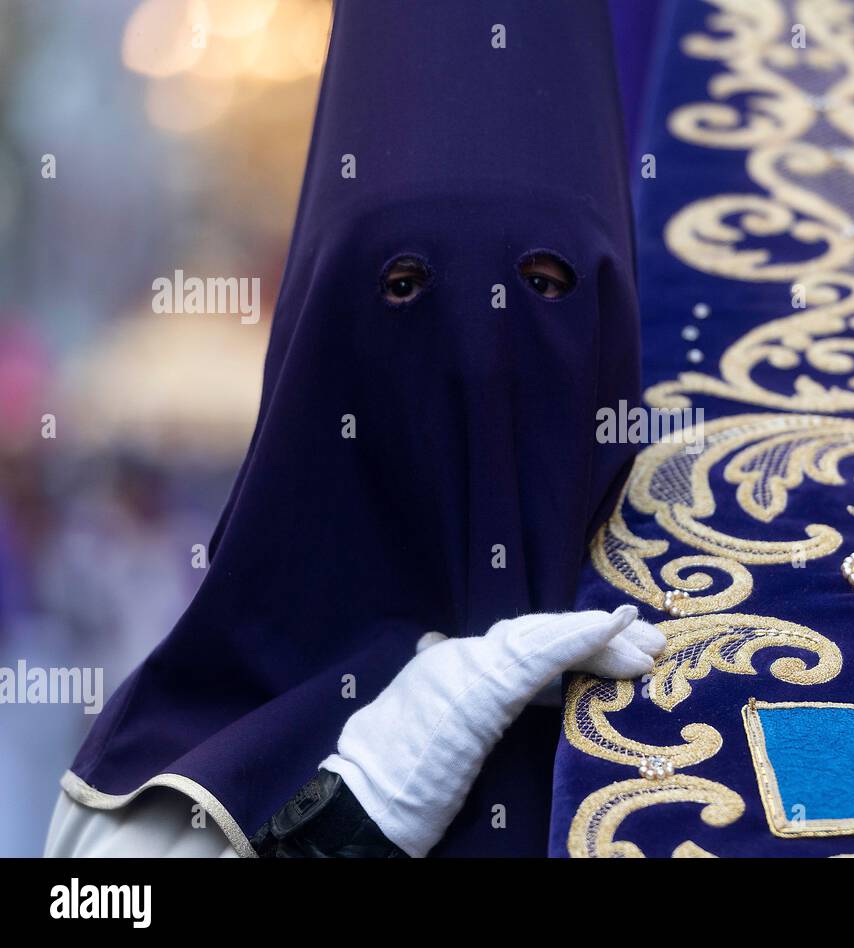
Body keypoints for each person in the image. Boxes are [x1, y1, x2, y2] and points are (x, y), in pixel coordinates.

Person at [46, 0, 657, 858]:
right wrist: (358, 809)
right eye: (405, 285)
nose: (479, 347)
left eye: (544, 284)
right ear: (321, 332)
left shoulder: (729, 612)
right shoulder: (166, 772)